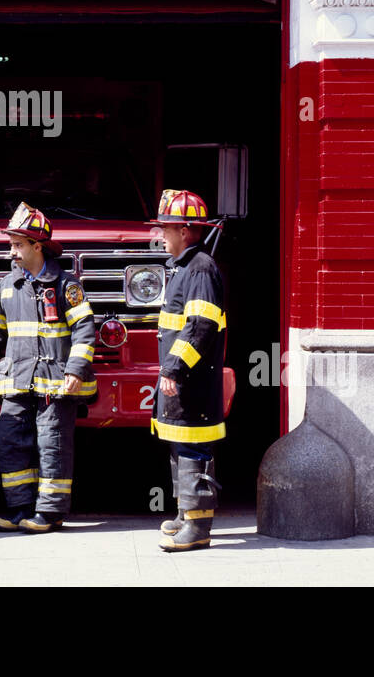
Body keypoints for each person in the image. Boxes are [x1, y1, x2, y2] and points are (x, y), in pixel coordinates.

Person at [0, 202, 97, 532]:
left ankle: (50, 513)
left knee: (52, 444)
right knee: (9, 440)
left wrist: (75, 371)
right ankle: (20, 509)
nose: (11, 252)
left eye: (17, 245)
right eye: (11, 245)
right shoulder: (5, 287)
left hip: (55, 383)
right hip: (17, 381)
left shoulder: (66, 286)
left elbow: (85, 331)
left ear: (37, 246)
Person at [149, 188, 228, 552]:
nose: (160, 234)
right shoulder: (186, 268)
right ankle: (186, 514)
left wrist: (174, 368)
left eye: (166, 228)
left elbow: (199, 326)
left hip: (193, 383)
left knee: (194, 447)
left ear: (185, 231)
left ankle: (198, 528)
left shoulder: (199, 269)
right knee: (180, 445)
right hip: (184, 383)